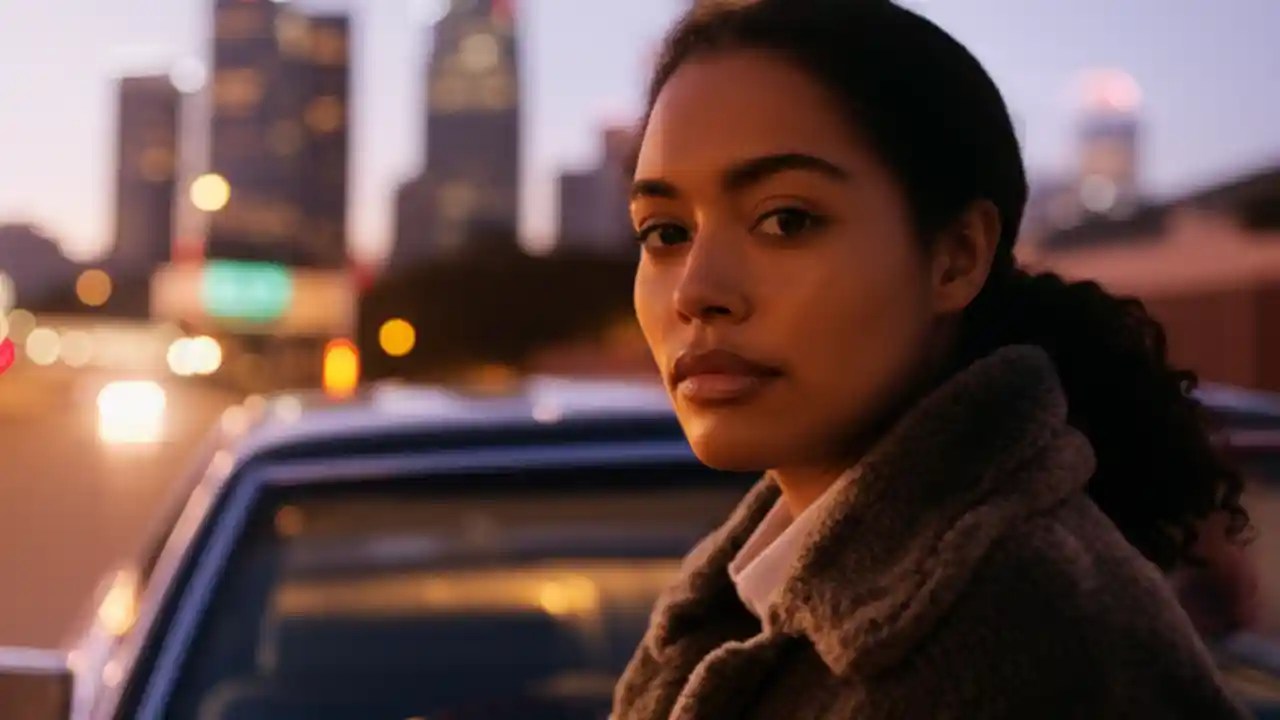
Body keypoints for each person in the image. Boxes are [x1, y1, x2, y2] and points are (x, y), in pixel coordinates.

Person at [613, 0, 1254, 717]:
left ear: (956, 257)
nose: (697, 292)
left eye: (785, 220)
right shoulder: (753, 595)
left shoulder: (1016, 639)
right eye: (665, 232)